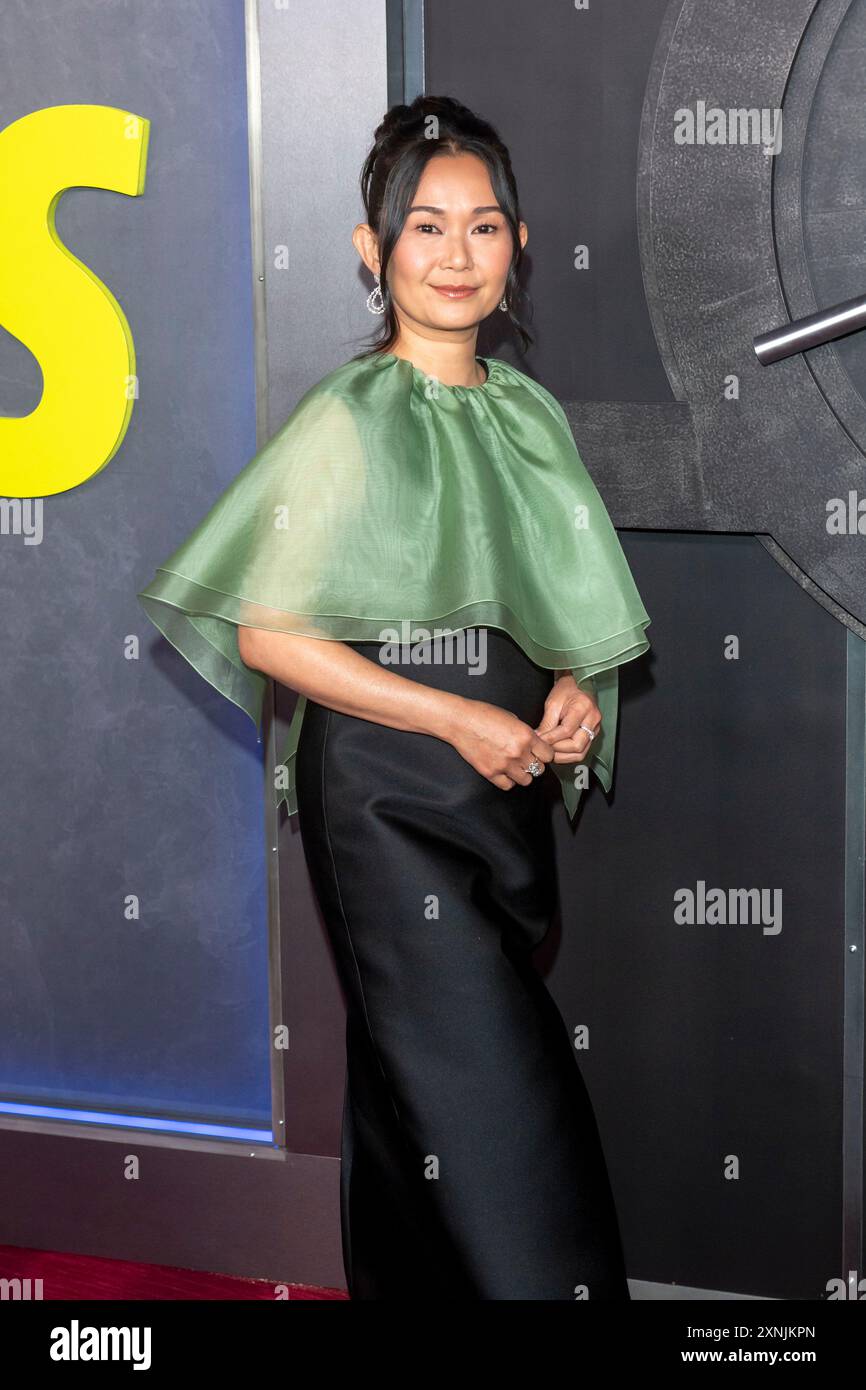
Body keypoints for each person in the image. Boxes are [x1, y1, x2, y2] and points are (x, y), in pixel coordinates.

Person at [138, 94, 651, 1300]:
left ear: (518, 245)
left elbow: (569, 605)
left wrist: (574, 689)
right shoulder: (347, 417)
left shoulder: (526, 413)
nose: (456, 254)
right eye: (425, 227)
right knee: (488, 1099)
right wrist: (454, 715)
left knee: (406, 1095)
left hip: (499, 790)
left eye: (483, 226)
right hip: (385, 797)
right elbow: (267, 632)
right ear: (371, 251)